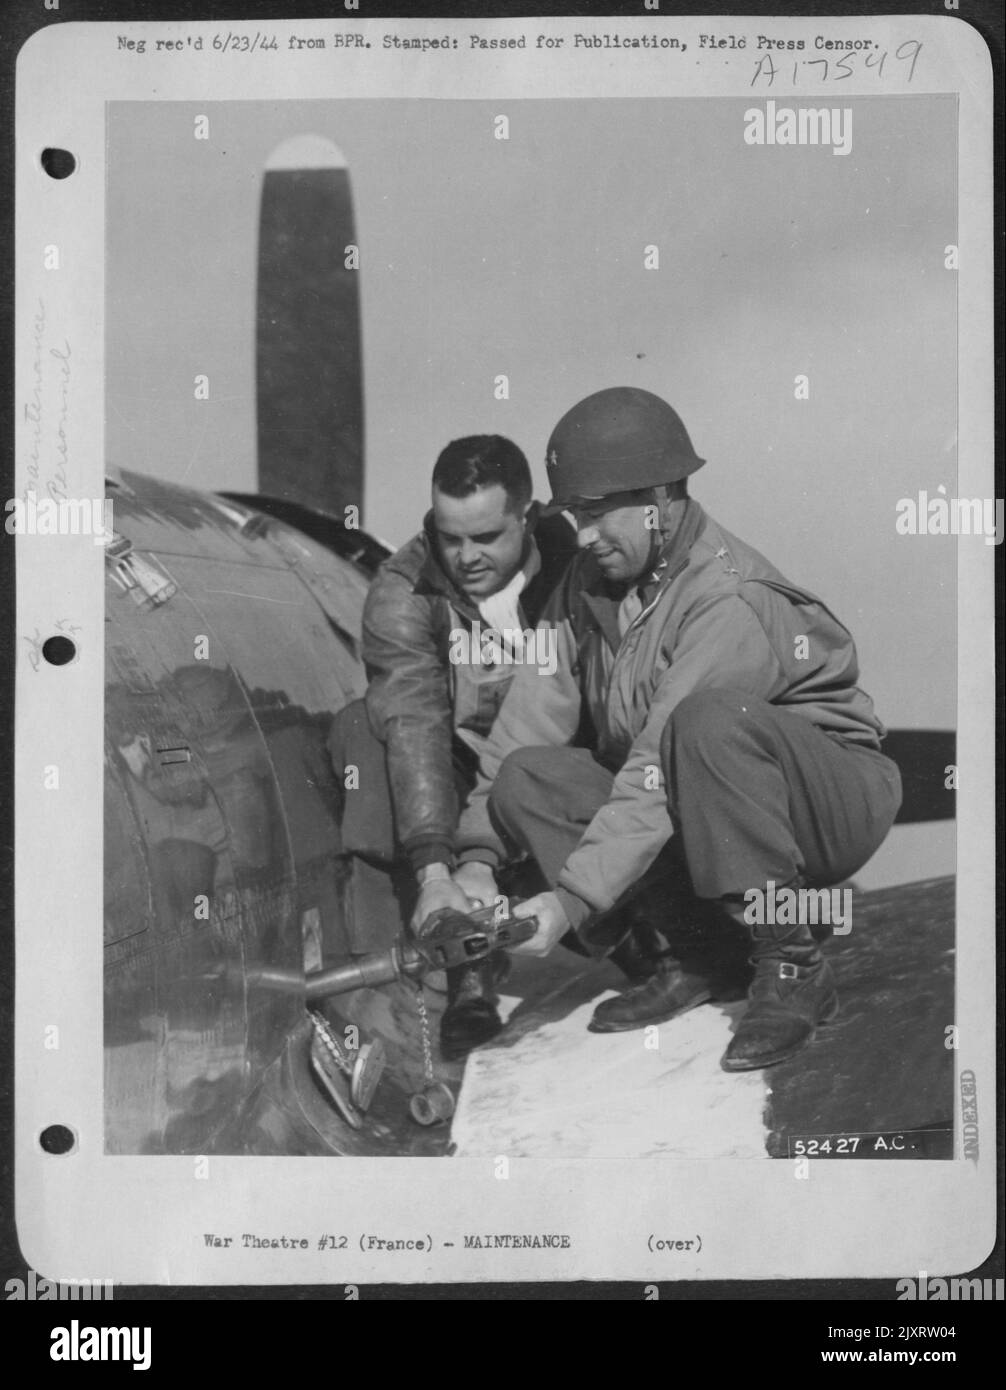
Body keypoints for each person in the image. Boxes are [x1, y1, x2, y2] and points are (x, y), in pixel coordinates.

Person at [452, 387, 903, 1071]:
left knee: (705, 723)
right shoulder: (585, 586)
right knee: (530, 777)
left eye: (600, 513)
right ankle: (698, 954)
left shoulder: (727, 597)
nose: (585, 535)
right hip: (698, 791)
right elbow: (525, 721)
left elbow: (657, 766)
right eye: (576, 514)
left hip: (822, 805)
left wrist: (572, 900)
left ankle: (793, 965)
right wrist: (478, 859)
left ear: (662, 499)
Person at [328, 435, 576, 1057]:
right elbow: (414, 724)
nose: (466, 557)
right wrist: (439, 868)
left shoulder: (585, 568)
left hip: (558, 775)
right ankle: (460, 955)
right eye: (450, 537)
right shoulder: (403, 593)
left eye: (487, 538)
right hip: (457, 778)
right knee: (365, 730)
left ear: (529, 518)